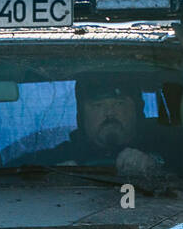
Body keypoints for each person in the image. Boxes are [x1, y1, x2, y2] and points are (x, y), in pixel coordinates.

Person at [26, 74, 170, 178]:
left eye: (119, 103)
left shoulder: (171, 148)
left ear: (138, 110)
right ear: (81, 115)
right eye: (98, 105)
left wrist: (154, 167)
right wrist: (52, 177)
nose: (109, 113)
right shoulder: (55, 158)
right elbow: (14, 176)